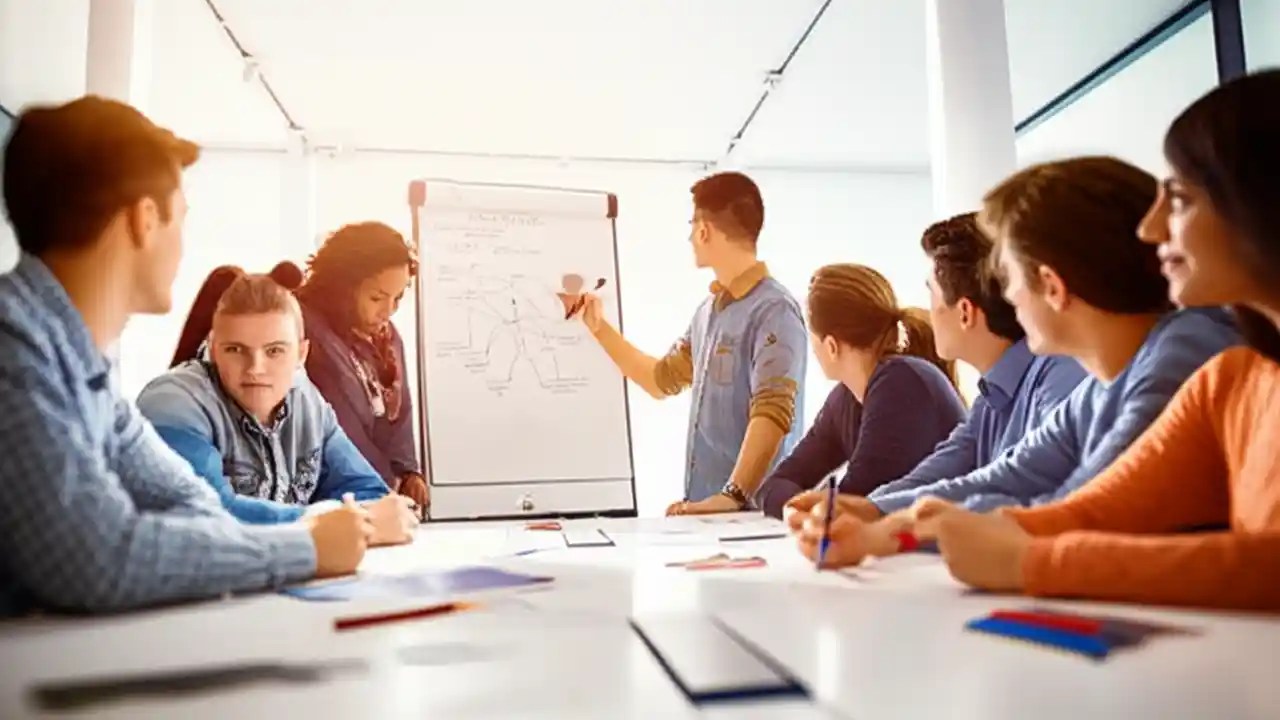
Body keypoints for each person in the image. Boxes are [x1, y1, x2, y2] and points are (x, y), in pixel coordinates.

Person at [804, 70, 1280, 611]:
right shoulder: (1231, 375)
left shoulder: (1188, 351)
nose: (1152, 231)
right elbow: (1074, 505)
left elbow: (1255, 560)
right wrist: (890, 522)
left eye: (1179, 201)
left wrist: (1012, 555)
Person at [0, 96, 370, 615]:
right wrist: (305, 547)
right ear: (145, 220)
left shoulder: (82, 365)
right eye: (181, 219)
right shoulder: (14, 348)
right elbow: (94, 558)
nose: (181, 245)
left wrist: (297, 540)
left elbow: (195, 507)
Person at [788, 155, 1240, 568]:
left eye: (1009, 276)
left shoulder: (1183, 351)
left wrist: (889, 532)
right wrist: (875, 512)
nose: (1006, 297)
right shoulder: (1103, 382)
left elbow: (1078, 507)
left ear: (1052, 285)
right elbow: (1014, 474)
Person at [779, 213, 1085, 519]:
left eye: (932, 292)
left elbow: (1023, 487)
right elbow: (936, 475)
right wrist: (871, 509)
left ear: (964, 313)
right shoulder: (991, 399)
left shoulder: (1060, 374)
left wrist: (885, 519)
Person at [574, 172, 807, 514]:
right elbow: (659, 380)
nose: (689, 237)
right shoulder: (707, 314)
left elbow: (773, 411)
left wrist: (732, 495)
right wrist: (599, 329)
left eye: (691, 226)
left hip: (754, 518)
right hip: (706, 513)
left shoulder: (775, 310)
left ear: (703, 229)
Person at [138, 272, 419, 541]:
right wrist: (338, 524)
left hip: (290, 581)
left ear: (301, 354)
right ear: (213, 349)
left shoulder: (307, 400)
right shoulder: (173, 403)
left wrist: (356, 521)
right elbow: (205, 514)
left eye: (274, 351)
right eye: (235, 350)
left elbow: (367, 491)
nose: (255, 369)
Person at [754, 264, 966, 517]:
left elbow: (855, 503)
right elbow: (775, 485)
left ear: (831, 346)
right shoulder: (845, 398)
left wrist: (812, 508)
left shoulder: (902, 383)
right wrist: (804, 508)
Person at [294, 222, 429, 511]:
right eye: (377, 298)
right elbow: (339, 425)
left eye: (399, 297)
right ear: (342, 287)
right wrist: (387, 488)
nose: (389, 310)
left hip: (379, 495)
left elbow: (400, 415)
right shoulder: (302, 328)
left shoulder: (387, 336)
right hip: (327, 499)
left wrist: (408, 472)